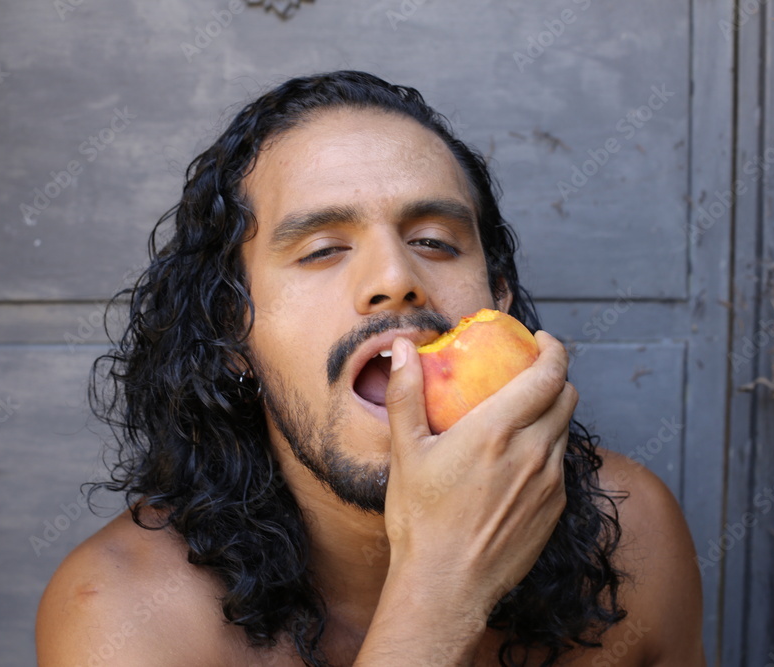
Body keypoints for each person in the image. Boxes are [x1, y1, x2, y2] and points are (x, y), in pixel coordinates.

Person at [36, 71, 705, 666]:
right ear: (231, 332)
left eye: (435, 242)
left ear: (497, 302)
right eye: (324, 249)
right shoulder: (124, 619)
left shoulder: (632, 536)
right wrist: (442, 593)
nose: (395, 276)